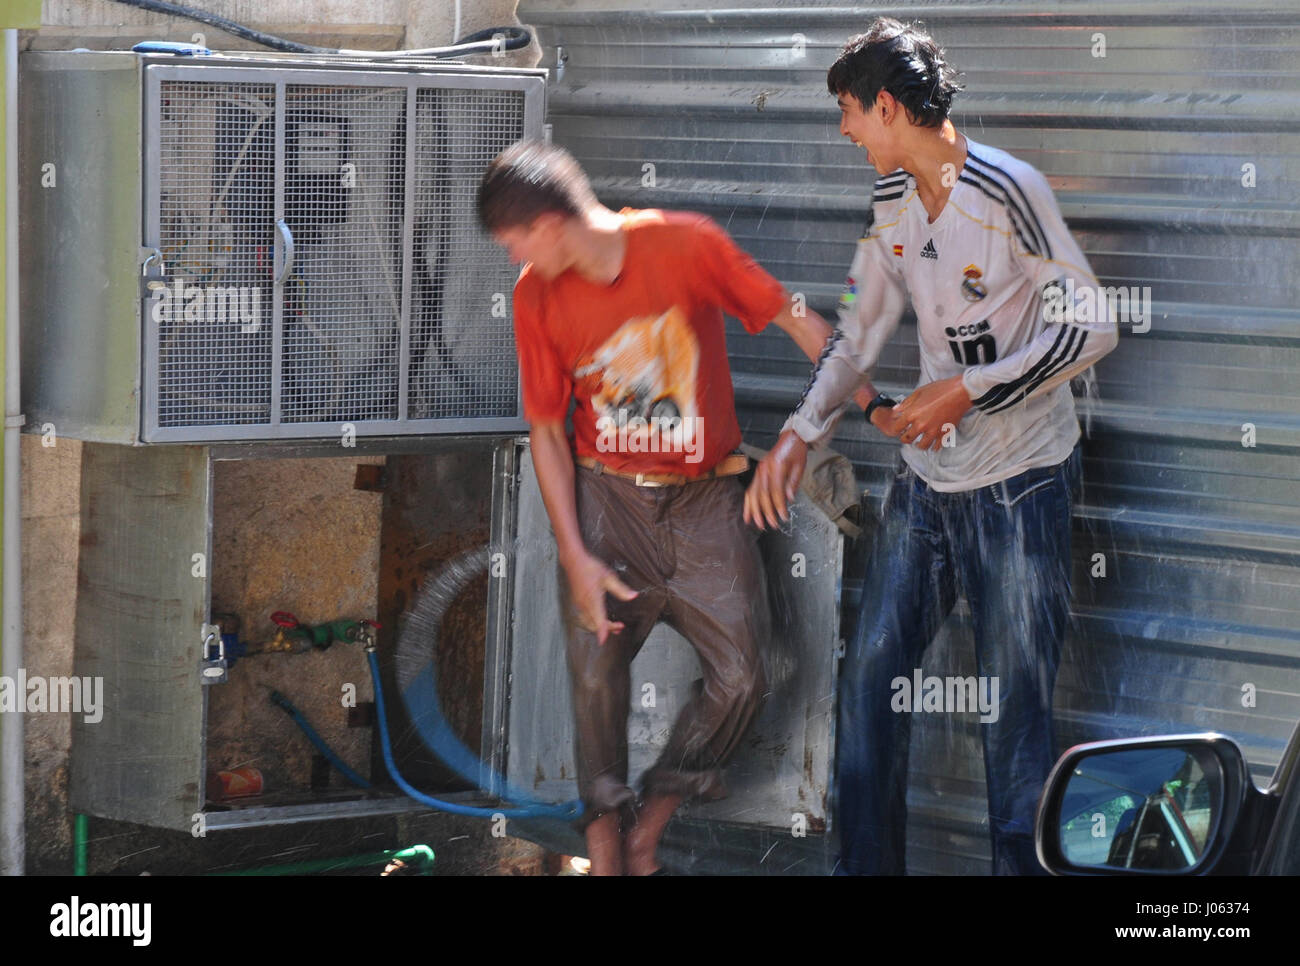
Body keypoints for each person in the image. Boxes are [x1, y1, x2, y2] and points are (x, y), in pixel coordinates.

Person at [745, 18, 1118, 874]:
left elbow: (1093, 326)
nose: (844, 131)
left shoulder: (1009, 189)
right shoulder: (890, 200)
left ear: (887, 105)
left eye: (848, 111)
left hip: (1021, 490)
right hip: (924, 488)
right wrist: (801, 433)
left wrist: (964, 389)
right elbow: (860, 327)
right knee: (870, 688)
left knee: (1014, 727)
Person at [477, 140, 869, 875]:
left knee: (744, 675)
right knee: (596, 665)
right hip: (606, 497)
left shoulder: (685, 245)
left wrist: (840, 403)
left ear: (551, 224)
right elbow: (546, 432)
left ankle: (651, 820)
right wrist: (576, 553)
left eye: (514, 240)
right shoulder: (537, 294)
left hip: (705, 502)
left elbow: (800, 322)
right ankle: (604, 841)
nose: (512, 259)